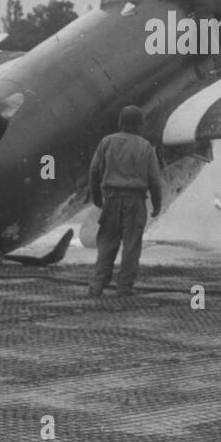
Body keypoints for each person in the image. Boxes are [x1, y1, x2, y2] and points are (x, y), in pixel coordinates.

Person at [87, 105, 164, 298]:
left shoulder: (107, 142)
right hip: (135, 201)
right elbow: (154, 179)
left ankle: (97, 285)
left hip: (111, 199)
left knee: (106, 243)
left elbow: (94, 171)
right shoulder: (145, 146)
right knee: (131, 245)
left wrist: (97, 198)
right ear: (140, 126)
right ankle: (124, 287)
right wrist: (157, 204)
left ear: (120, 124)